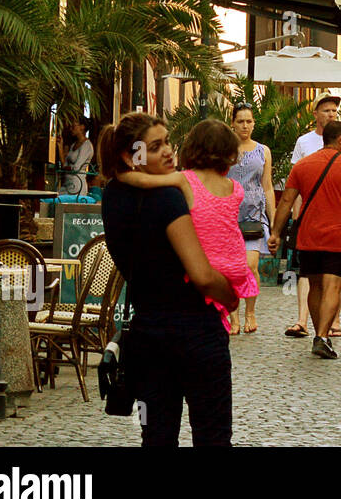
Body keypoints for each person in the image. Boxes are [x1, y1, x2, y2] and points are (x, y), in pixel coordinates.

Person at [99, 113, 238, 447]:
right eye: (156, 146)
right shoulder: (167, 198)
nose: (168, 152)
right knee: (213, 437)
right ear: (131, 156)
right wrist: (232, 297)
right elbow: (202, 275)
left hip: (147, 337)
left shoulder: (112, 196)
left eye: (168, 142)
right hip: (196, 333)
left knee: (157, 437)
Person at [116, 119, 259, 333]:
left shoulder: (186, 180)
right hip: (235, 264)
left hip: (206, 264)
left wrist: (124, 175)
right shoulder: (235, 187)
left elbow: (146, 182)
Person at [270, 120, 341, 359]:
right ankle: (322, 336)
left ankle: (318, 333)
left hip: (309, 237)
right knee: (332, 285)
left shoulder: (302, 165)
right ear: (340, 139)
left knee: (314, 286)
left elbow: (286, 202)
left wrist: (275, 233)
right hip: (339, 237)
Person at [227, 103, 274, 334]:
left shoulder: (263, 151)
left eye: (249, 121)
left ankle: (251, 311)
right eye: (241, 121)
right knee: (230, 268)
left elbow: (267, 186)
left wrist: (273, 220)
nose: (245, 125)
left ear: (254, 123)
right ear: (232, 124)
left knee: (249, 265)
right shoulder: (225, 149)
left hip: (254, 216)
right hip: (228, 215)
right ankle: (233, 316)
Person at [57, 118, 94, 196]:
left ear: (82, 127)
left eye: (73, 126)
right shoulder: (74, 145)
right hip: (67, 184)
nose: (71, 129)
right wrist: (60, 147)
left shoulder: (87, 145)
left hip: (77, 185)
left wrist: (67, 167)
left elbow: (77, 167)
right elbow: (64, 164)